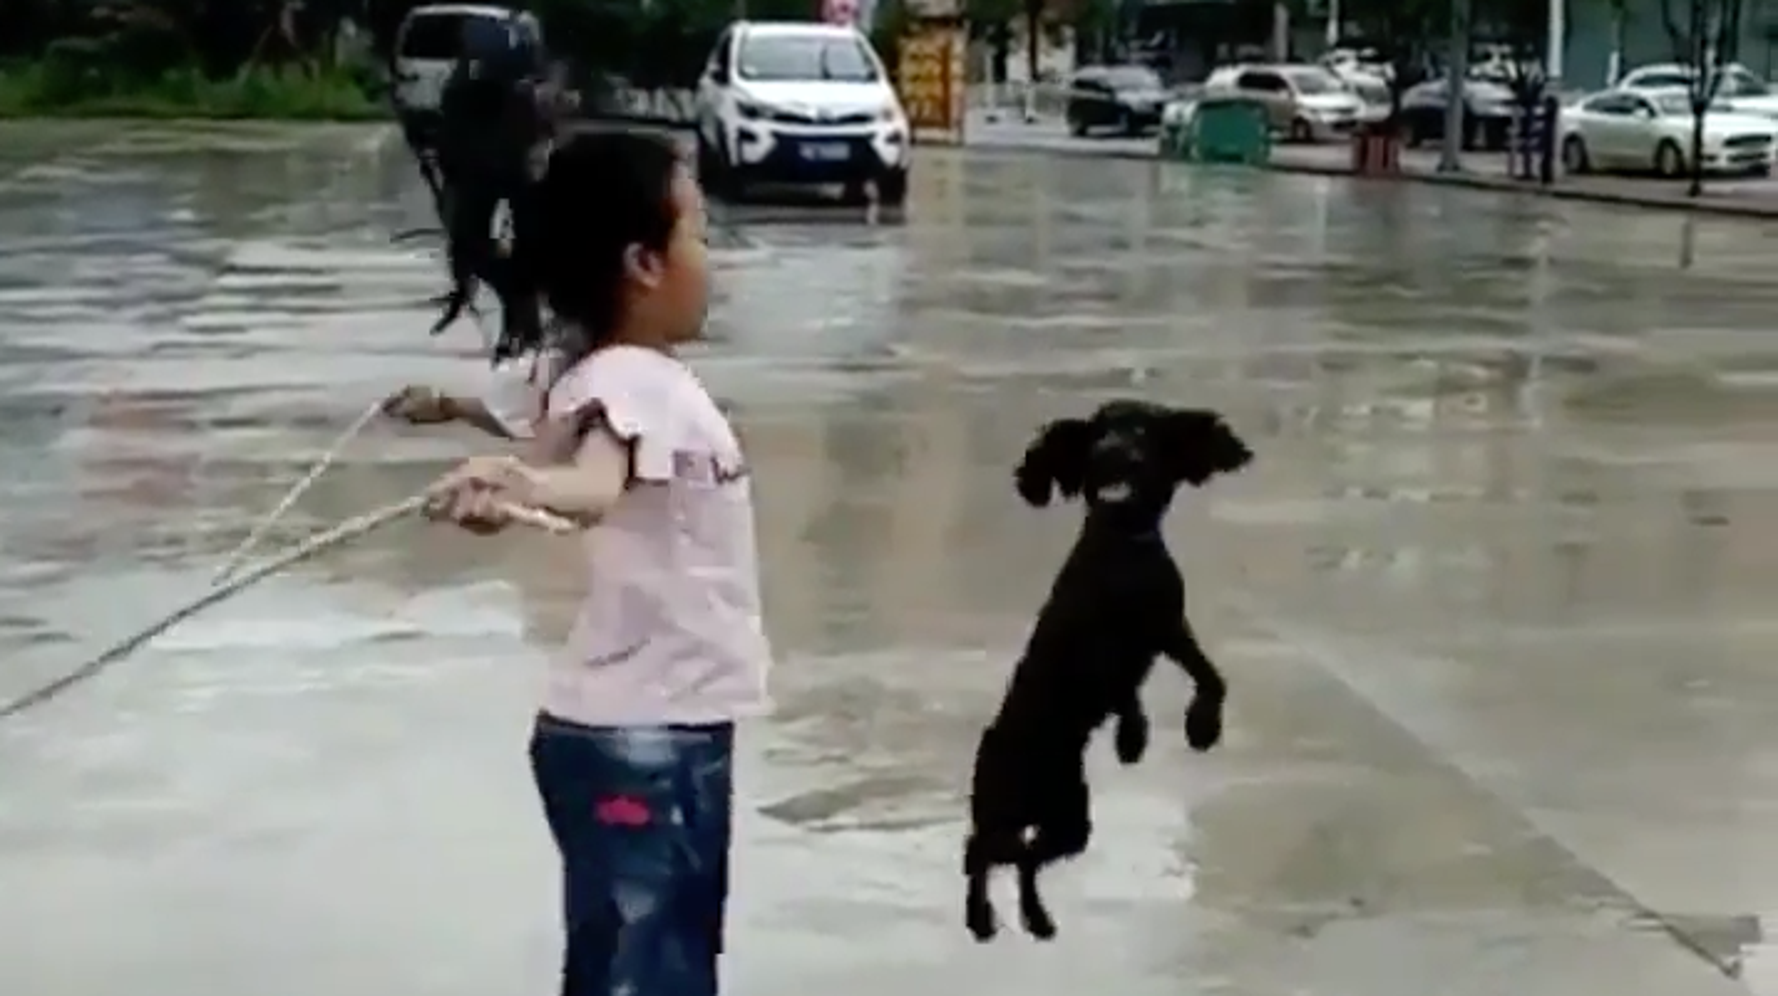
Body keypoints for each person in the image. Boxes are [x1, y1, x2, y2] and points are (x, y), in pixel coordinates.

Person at [423, 129, 771, 996]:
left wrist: (477, 443)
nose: (710, 258)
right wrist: (517, 487)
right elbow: (593, 483)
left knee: (647, 958)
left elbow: (545, 439)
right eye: (697, 233)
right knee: (650, 970)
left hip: (653, 728)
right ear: (643, 264)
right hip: (646, 740)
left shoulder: (599, 368)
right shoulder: (631, 380)